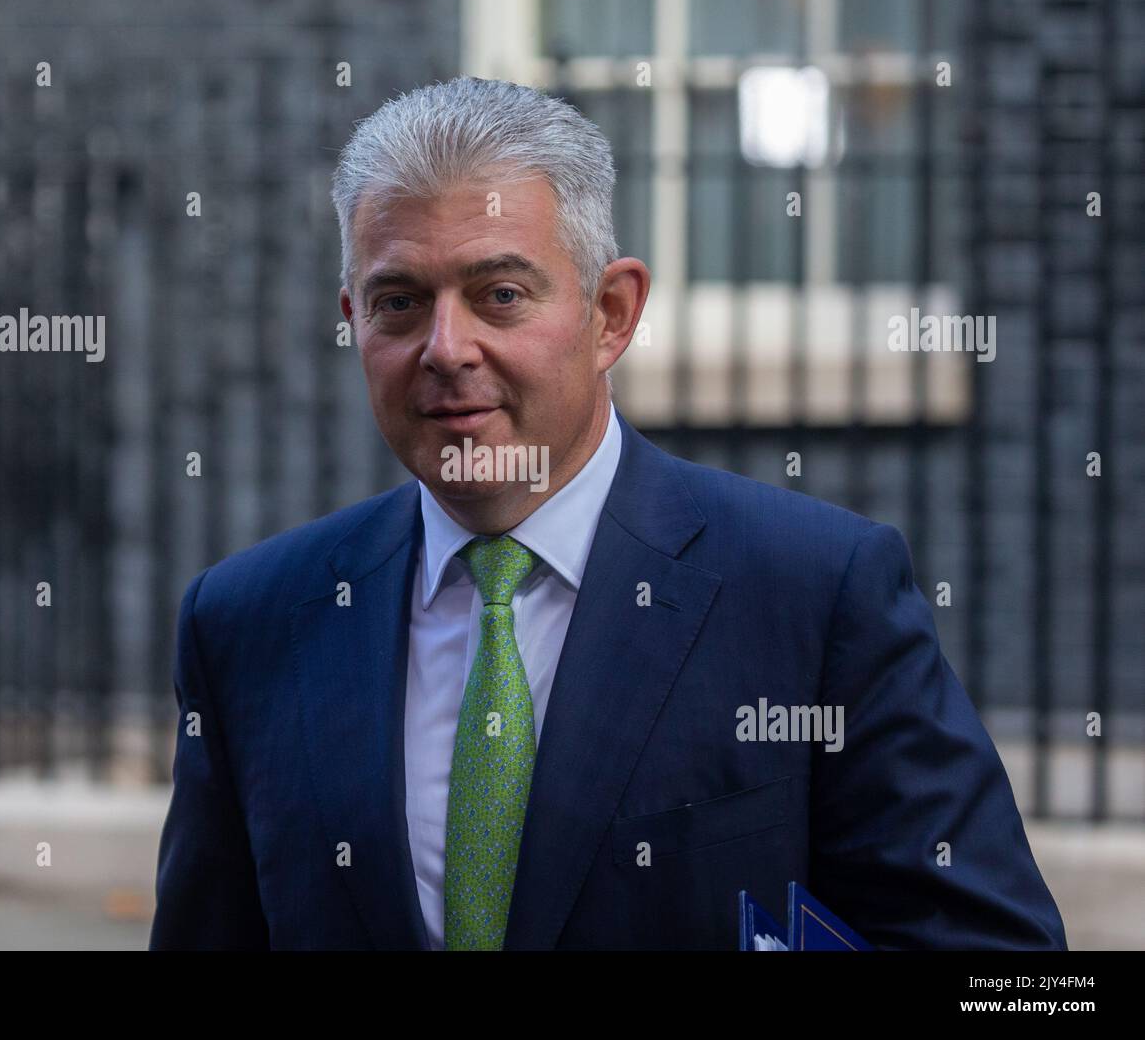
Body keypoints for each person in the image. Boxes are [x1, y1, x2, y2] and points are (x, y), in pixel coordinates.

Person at [149, 76, 1066, 951]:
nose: (446, 347)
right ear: (354, 320)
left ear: (613, 314)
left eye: (500, 294)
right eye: (399, 303)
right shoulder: (250, 623)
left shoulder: (816, 595)